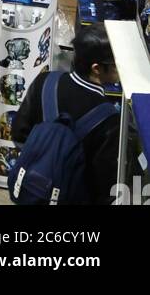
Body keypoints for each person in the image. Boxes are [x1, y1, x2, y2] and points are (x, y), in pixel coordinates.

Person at [9, 26, 120, 206]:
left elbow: (18, 133)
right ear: (97, 68)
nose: (120, 67)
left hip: (28, 190)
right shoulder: (109, 118)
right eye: (115, 62)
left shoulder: (45, 81)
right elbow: (104, 184)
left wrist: (43, 162)